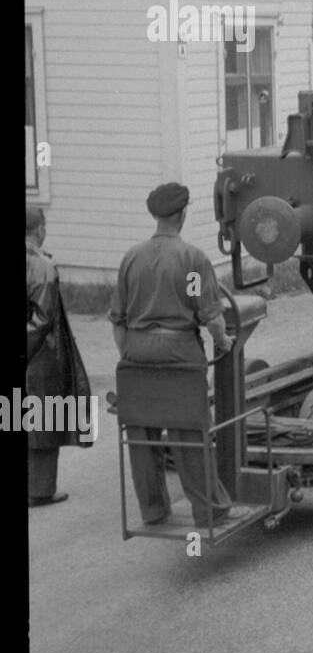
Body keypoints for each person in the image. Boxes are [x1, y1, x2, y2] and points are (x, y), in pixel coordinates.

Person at [111, 183, 247, 527]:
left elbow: (118, 319)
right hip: (179, 356)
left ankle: (153, 510)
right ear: (183, 215)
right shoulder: (191, 261)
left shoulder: (132, 258)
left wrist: (131, 352)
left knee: (141, 436)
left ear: (156, 215)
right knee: (189, 435)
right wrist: (224, 342)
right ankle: (209, 510)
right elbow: (209, 316)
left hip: (135, 356)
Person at [27, 206, 93, 506]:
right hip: (39, 353)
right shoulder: (42, 266)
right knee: (42, 422)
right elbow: (41, 319)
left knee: (17, 417)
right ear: (39, 228)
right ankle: (40, 490)